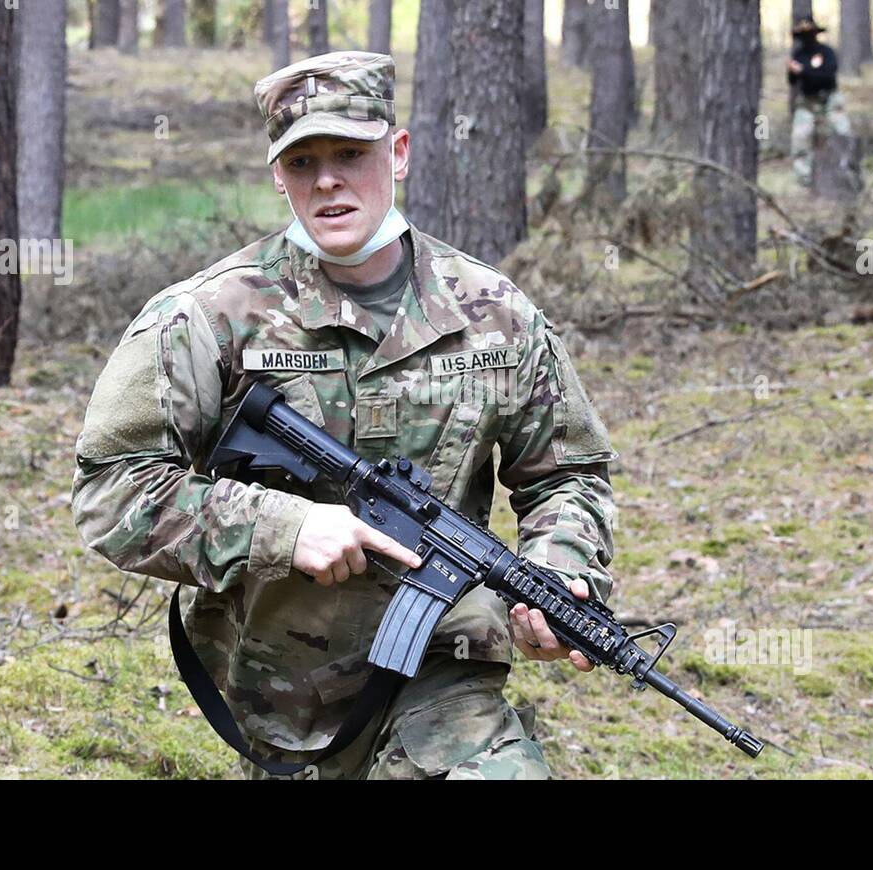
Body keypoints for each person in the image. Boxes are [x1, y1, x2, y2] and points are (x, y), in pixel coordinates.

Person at [70, 51, 618, 780]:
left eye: (350, 154)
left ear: (398, 154)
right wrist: (284, 528)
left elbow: (569, 472)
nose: (327, 180)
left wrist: (561, 571)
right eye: (303, 162)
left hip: (443, 674)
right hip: (275, 693)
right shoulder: (208, 316)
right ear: (277, 175)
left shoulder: (496, 315)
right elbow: (112, 491)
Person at [787, 16, 852, 188]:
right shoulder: (798, 55)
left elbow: (827, 75)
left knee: (842, 132)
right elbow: (793, 81)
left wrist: (803, 71)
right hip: (807, 102)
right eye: (803, 34)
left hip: (830, 99)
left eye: (809, 33)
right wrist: (794, 71)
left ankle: (847, 173)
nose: (807, 37)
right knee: (800, 138)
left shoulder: (826, 52)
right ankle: (805, 181)